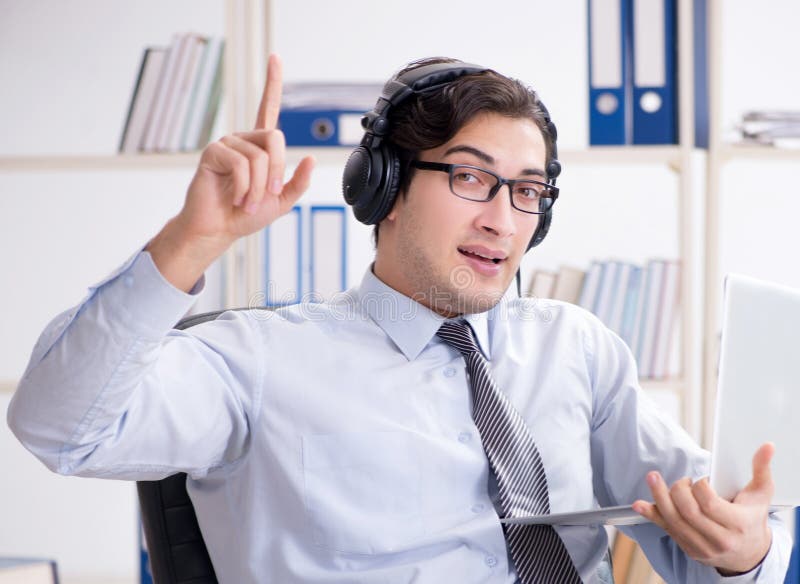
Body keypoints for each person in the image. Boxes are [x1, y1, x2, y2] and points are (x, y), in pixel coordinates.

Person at [7, 55, 789, 584]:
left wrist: (740, 547)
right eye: (472, 179)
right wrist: (191, 241)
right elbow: (57, 427)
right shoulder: (255, 360)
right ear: (382, 188)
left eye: (527, 192)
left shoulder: (575, 347)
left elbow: (705, 541)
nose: (504, 221)